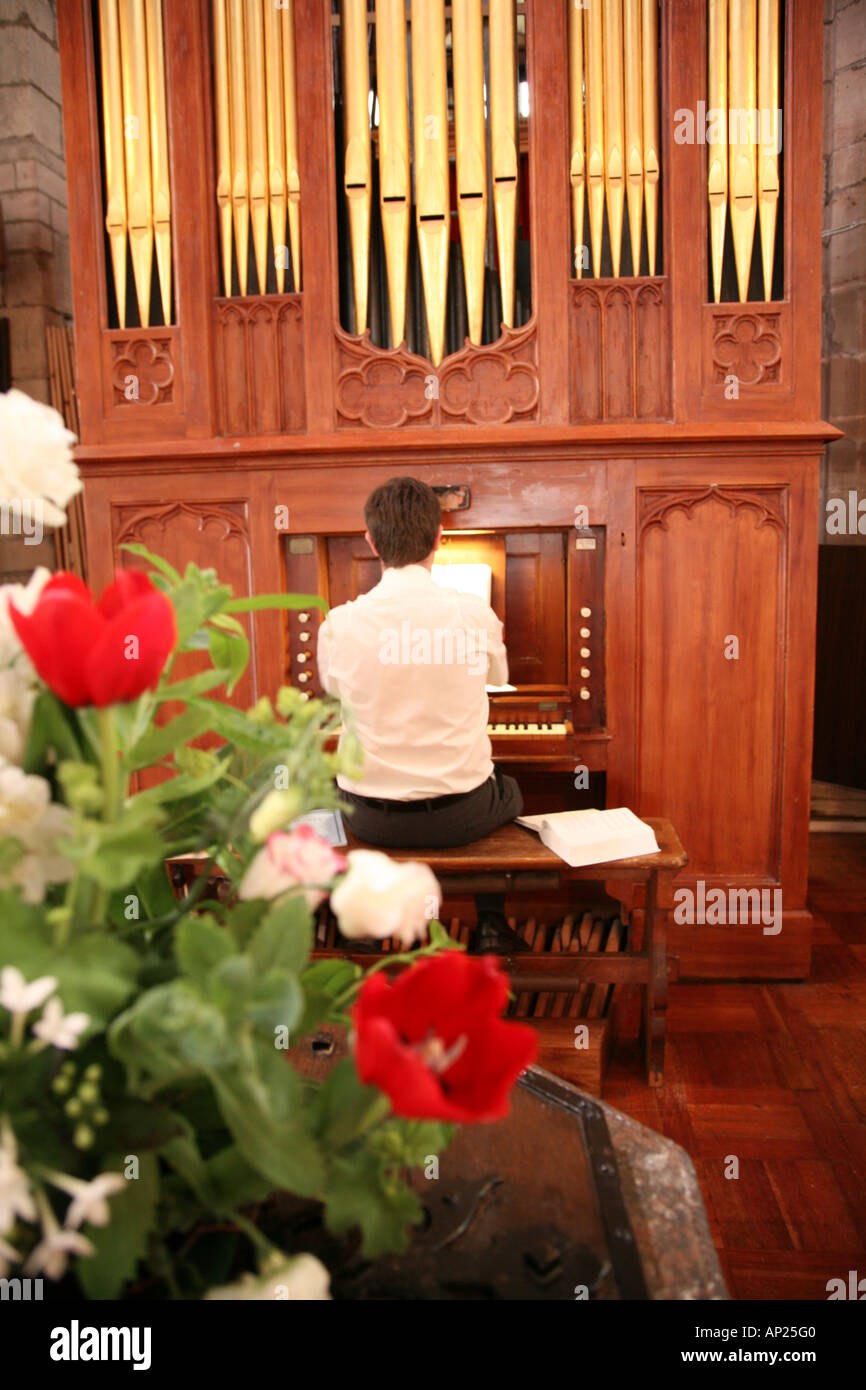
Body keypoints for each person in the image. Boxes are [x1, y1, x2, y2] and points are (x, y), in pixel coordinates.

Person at [317, 475, 526, 951]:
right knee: (509, 789)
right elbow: (497, 677)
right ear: (438, 539)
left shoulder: (340, 623)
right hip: (460, 817)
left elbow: (333, 691)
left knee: (333, 793)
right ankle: (492, 927)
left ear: (371, 541)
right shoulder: (475, 614)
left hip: (370, 818)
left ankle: (366, 933)